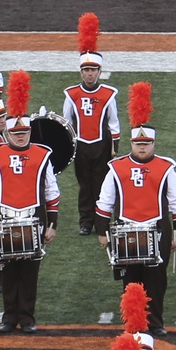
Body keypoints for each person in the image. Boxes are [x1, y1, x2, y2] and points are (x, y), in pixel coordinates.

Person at [0, 76, 61, 333]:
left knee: (30, 271)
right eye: (15, 132)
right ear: (8, 133)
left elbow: (51, 190)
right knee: (8, 269)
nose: (21, 136)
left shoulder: (42, 153)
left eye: (24, 132)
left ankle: (27, 318)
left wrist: (53, 224)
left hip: (34, 218)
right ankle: (8, 317)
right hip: (4, 218)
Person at [97, 92, 176, 327]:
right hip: (126, 230)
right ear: (131, 144)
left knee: (157, 280)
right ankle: (134, 323)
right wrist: (102, 232)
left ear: (153, 144)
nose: (142, 148)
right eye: (138, 144)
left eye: (146, 144)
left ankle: (155, 323)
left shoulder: (166, 167)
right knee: (131, 281)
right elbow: (104, 202)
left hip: (158, 228)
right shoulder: (116, 167)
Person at [66, 16, 118, 237]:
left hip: (101, 145)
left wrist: (115, 147)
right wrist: (69, 146)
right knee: (85, 186)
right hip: (80, 146)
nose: (89, 74)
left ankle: (102, 222)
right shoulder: (71, 94)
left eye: (93, 70)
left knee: (101, 185)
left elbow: (114, 122)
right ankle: (85, 221)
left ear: (99, 72)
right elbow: (66, 122)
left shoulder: (108, 94)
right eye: (86, 70)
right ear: (81, 72)